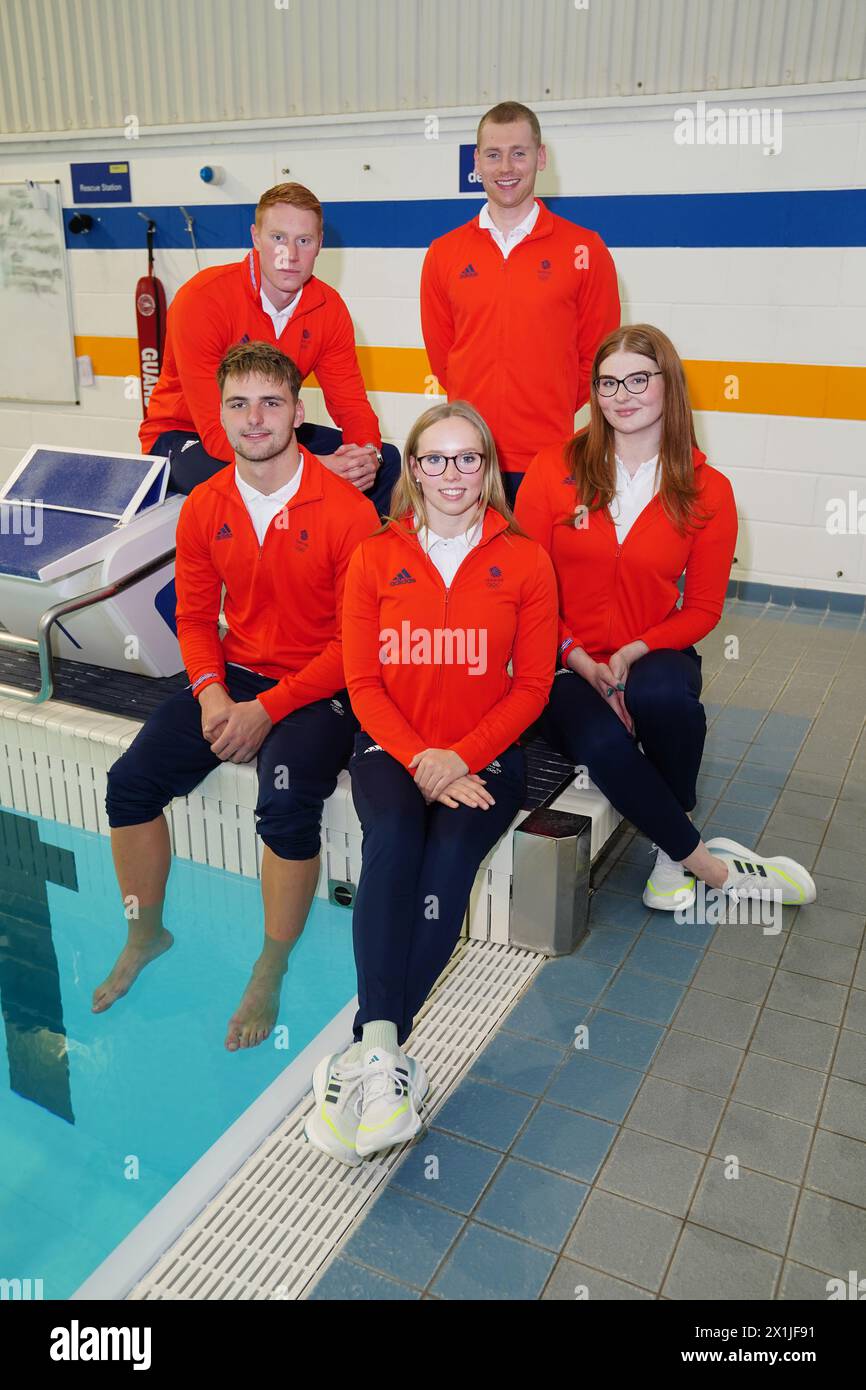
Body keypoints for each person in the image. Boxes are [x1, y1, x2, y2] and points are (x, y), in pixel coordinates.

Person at [96, 342, 378, 1048]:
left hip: (323, 686)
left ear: (298, 413)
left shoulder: (348, 513)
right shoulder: (205, 507)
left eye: (271, 402)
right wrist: (213, 695)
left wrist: (268, 710)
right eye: (238, 404)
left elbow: (357, 647)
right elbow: (194, 618)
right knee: (128, 783)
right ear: (217, 416)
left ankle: (271, 964)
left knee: (284, 801)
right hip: (238, 677)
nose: (255, 419)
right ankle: (145, 932)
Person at [304, 400, 558, 1165]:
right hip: (391, 746)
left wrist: (464, 755)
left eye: (468, 459)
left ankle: (366, 1055)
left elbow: (534, 686)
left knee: (448, 865)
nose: (452, 474)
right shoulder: (375, 557)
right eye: (435, 459)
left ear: (488, 468)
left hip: (490, 756)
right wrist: (423, 757)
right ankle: (385, 1063)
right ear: (411, 469)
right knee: (394, 840)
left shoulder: (525, 560)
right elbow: (362, 679)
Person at [515, 323, 817, 913]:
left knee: (666, 701)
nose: (622, 394)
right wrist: (577, 656)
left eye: (638, 378)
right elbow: (524, 592)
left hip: (649, 647)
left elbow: (702, 608)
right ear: (594, 393)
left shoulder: (708, 489)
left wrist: (631, 654)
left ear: (666, 384)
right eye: (607, 383)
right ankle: (710, 866)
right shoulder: (554, 469)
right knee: (599, 735)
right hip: (555, 654)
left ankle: (666, 844)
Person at [139, 181, 399, 513]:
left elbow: (352, 406)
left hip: (271, 430)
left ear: (320, 244)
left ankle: (354, 564)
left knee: (388, 462)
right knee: (262, 477)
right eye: (278, 238)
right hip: (188, 438)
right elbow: (220, 433)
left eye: (303, 241)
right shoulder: (203, 299)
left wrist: (366, 455)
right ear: (256, 237)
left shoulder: (328, 308)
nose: (289, 255)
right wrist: (308, 467)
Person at [420, 100, 621, 506]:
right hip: (468, 459)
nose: (506, 168)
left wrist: (551, 403)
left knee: (539, 570)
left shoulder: (585, 249)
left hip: (550, 457)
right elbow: (444, 359)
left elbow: (600, 359)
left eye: (519, 153)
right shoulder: (444, 253)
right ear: (477, 160)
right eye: (493, 155)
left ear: (540, 157)